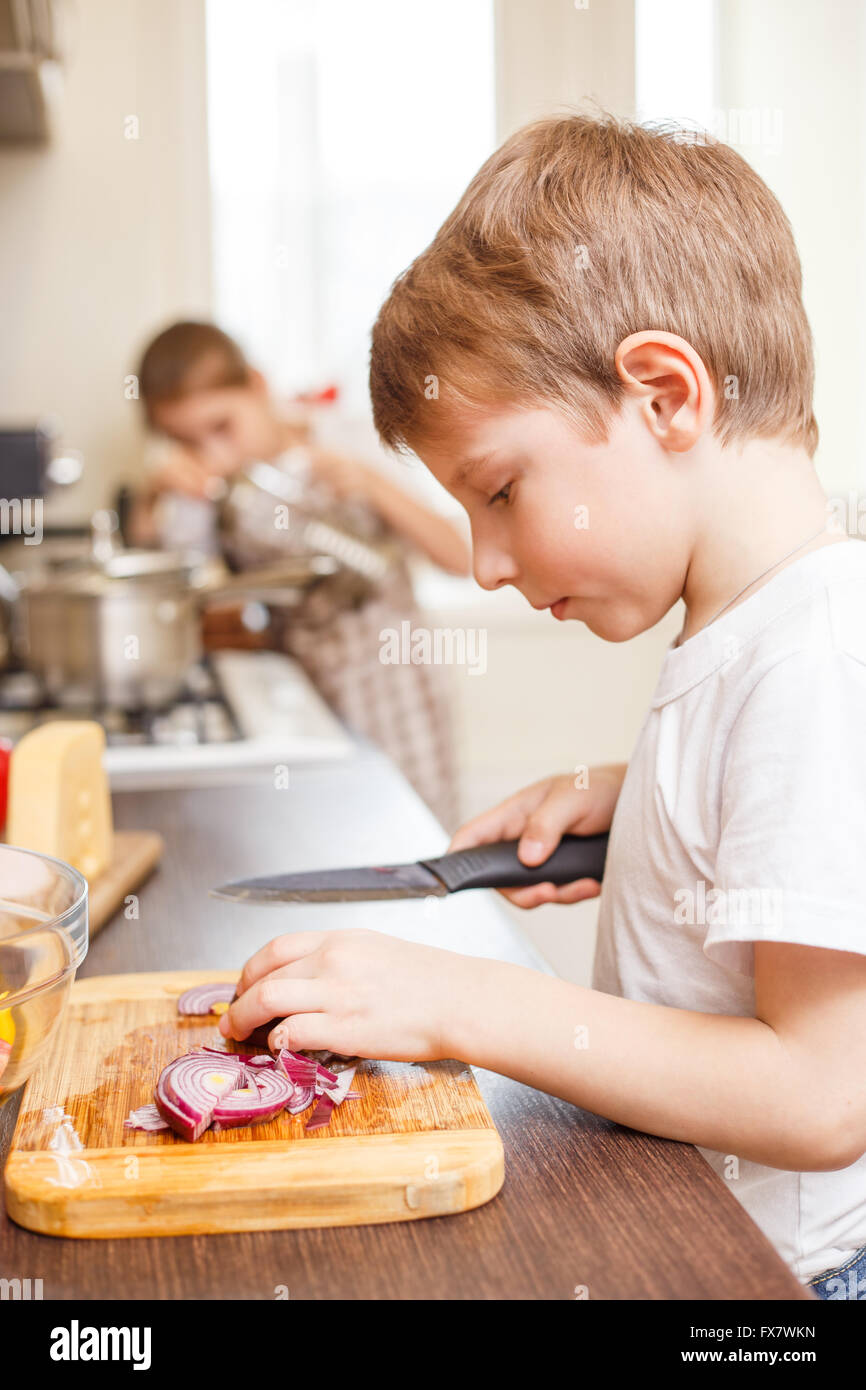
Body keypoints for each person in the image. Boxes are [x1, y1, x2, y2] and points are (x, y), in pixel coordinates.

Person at [219, 115, 866, 1298]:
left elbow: (822, 1098)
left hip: (786, 1285)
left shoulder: (809, 655)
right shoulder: (753, 634)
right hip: (707, 1238)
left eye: (501, 490)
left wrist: (462, 1001)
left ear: (664, 395)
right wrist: (650, 817)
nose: (482, 562)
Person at [130, 321, 470, 829]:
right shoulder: (211, 493)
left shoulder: (349, 437)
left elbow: (461, 559)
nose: (215, 454)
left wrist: (374, 487)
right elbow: (173, 585)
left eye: (222, 426)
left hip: (395, 684)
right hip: (296, 697)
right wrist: (155, 496)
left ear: (257, 385)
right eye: (187, 441)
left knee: (410, 834)